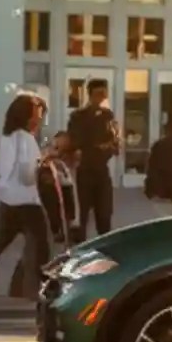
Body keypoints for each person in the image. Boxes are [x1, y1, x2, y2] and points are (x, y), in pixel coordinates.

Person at [0, 93, 51, 303]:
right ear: (26, 116)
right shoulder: (25, 139)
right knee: (41, 246)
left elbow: (7, 168)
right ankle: (42, 290)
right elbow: (27, 176)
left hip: (7, 197)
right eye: (37, 115)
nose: (39, 120)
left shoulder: (7, 136)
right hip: (26, 201)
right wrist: (41, 165)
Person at [68, 79, 119, 237]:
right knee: (81, 215)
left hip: (102, 172)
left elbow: (113, 139)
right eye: (98, 94)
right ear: (90, 96)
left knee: (104, 215)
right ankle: (79, 251)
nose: (102, 98)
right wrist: (97, 146)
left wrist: (112, 146)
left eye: (104, 94)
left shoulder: (108, 116)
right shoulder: (78, 116)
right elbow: (76, 140)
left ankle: (104, 250)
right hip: (85, 171)